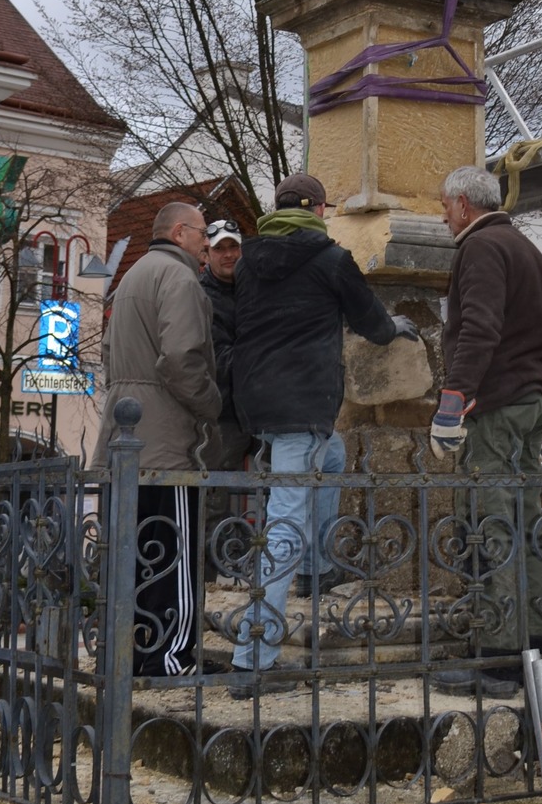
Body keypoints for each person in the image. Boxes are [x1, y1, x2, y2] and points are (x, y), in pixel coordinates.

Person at [226, 171, 418, 691]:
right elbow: (375, 326)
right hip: (301, 404)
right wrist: (397, 326)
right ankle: (253, 658)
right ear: (315, 208)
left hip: (257, 401)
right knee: (286, 523)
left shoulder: (248, 261)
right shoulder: (331, 259)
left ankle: (316, 567)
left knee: (330, 458)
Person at [431, 165, 542, 698]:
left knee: (491, 522)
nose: (442, 216)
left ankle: (501, 659)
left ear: (463, 204)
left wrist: (452, 401)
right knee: (528, 521)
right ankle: (538, 642)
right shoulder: (527, 248)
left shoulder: (480, 249)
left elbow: (479, 327)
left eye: (444, 206)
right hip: (530, 400)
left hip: (495, 406)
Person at [93, 198, 222, 677]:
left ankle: (129, 653)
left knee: (131, 552)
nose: (208, 242)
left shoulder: (131, 277)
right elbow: (181, 358)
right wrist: (211, 405)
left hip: (121, 433)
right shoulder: (181, 278)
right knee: (173, 552)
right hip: (166, 436)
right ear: (181, 232)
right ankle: (171, 659)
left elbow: (108, 352)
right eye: (203, 232)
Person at [200, 219, 251, 470]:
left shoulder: (257, 288)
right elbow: (215, 359)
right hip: (223, 414)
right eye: (219, 249)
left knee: (278, 491)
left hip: (261, 410)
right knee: (214, 497)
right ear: (206, 255)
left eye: (234, 247)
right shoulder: (201, 298)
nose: (229, 254)